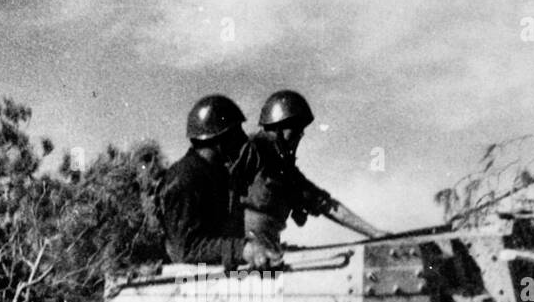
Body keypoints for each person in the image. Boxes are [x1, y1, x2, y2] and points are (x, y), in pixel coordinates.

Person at [237, 89, 386, 247]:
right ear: (278, 127)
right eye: (295, 131)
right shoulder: (249, 151)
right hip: (233, 258)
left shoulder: (287, 173)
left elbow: (327, 205)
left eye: (301, 132)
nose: (299, 137)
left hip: (263, 253)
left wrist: (376, 234)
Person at [159, 94, 283, 268]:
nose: (243, 139)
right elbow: (184, 249)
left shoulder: (216, 174)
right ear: (219, 140)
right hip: (184, 282)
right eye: (236, 132)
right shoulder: (184, 179)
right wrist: (243, 250)